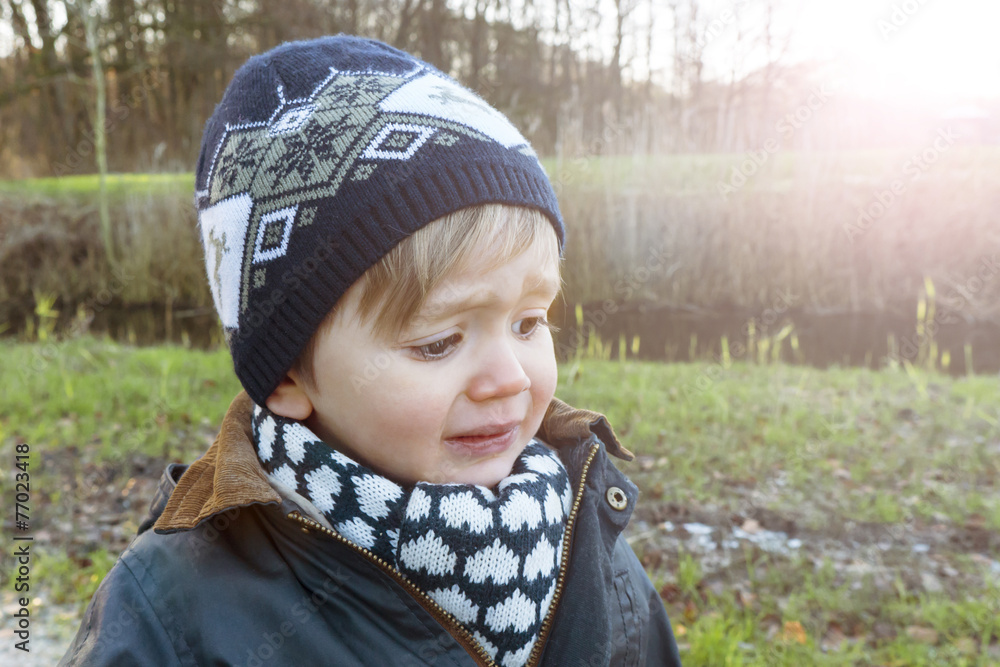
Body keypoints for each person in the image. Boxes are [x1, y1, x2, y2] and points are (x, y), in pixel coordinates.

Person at [60, 35, 682, 667]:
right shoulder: (174, 619)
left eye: (528, 323)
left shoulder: (590, 547)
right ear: (288, 375)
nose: (508, 379)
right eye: (439, 341)